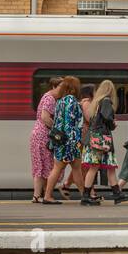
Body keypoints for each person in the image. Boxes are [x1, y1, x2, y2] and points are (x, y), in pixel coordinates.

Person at [42, 76, 88, 205]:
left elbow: (58, 121)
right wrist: (75, 143)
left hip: (61, 141)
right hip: (69, 142)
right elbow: (70, 124)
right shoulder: (72, 101)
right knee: (61, 168)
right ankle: (48, 196)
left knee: (75, 168)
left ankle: (84, 195)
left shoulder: (61, 101)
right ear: (73, 88)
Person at [82, 80, 121, 205]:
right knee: (95, 167)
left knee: (108, 167)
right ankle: (86, 196)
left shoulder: (96, 102)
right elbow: (107, 117)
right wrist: (113, 124)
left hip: (96, 138)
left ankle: (117, 194)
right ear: (110, 90)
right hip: (101, 139)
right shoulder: (106, 101)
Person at [30, 75, 63, 204]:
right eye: (61, 87)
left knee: (41, 164)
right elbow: (45, 117)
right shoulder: (50, 99)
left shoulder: (46, 97)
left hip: (38, 134)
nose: (63, 90)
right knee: (43, 165)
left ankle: (39, 195)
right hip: (43, 134)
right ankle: (38, 195)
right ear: (54, 86)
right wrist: (56, 128)